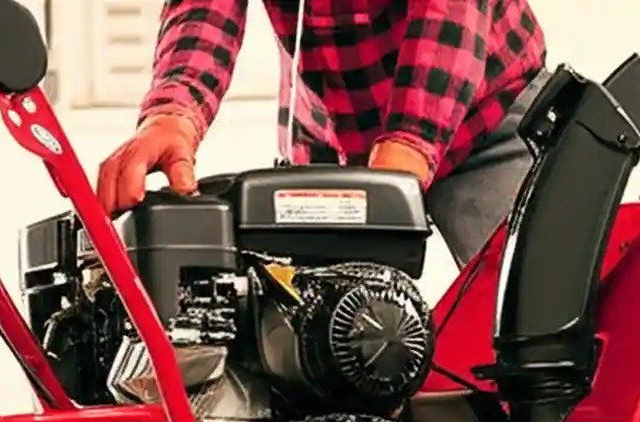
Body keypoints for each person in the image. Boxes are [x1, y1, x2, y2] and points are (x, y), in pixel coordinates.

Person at [95, 0, 548, 265]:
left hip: (486, 118)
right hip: (332, 143)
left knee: (533, 333)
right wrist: (174, 112)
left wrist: (407, 148)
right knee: (323, 354)